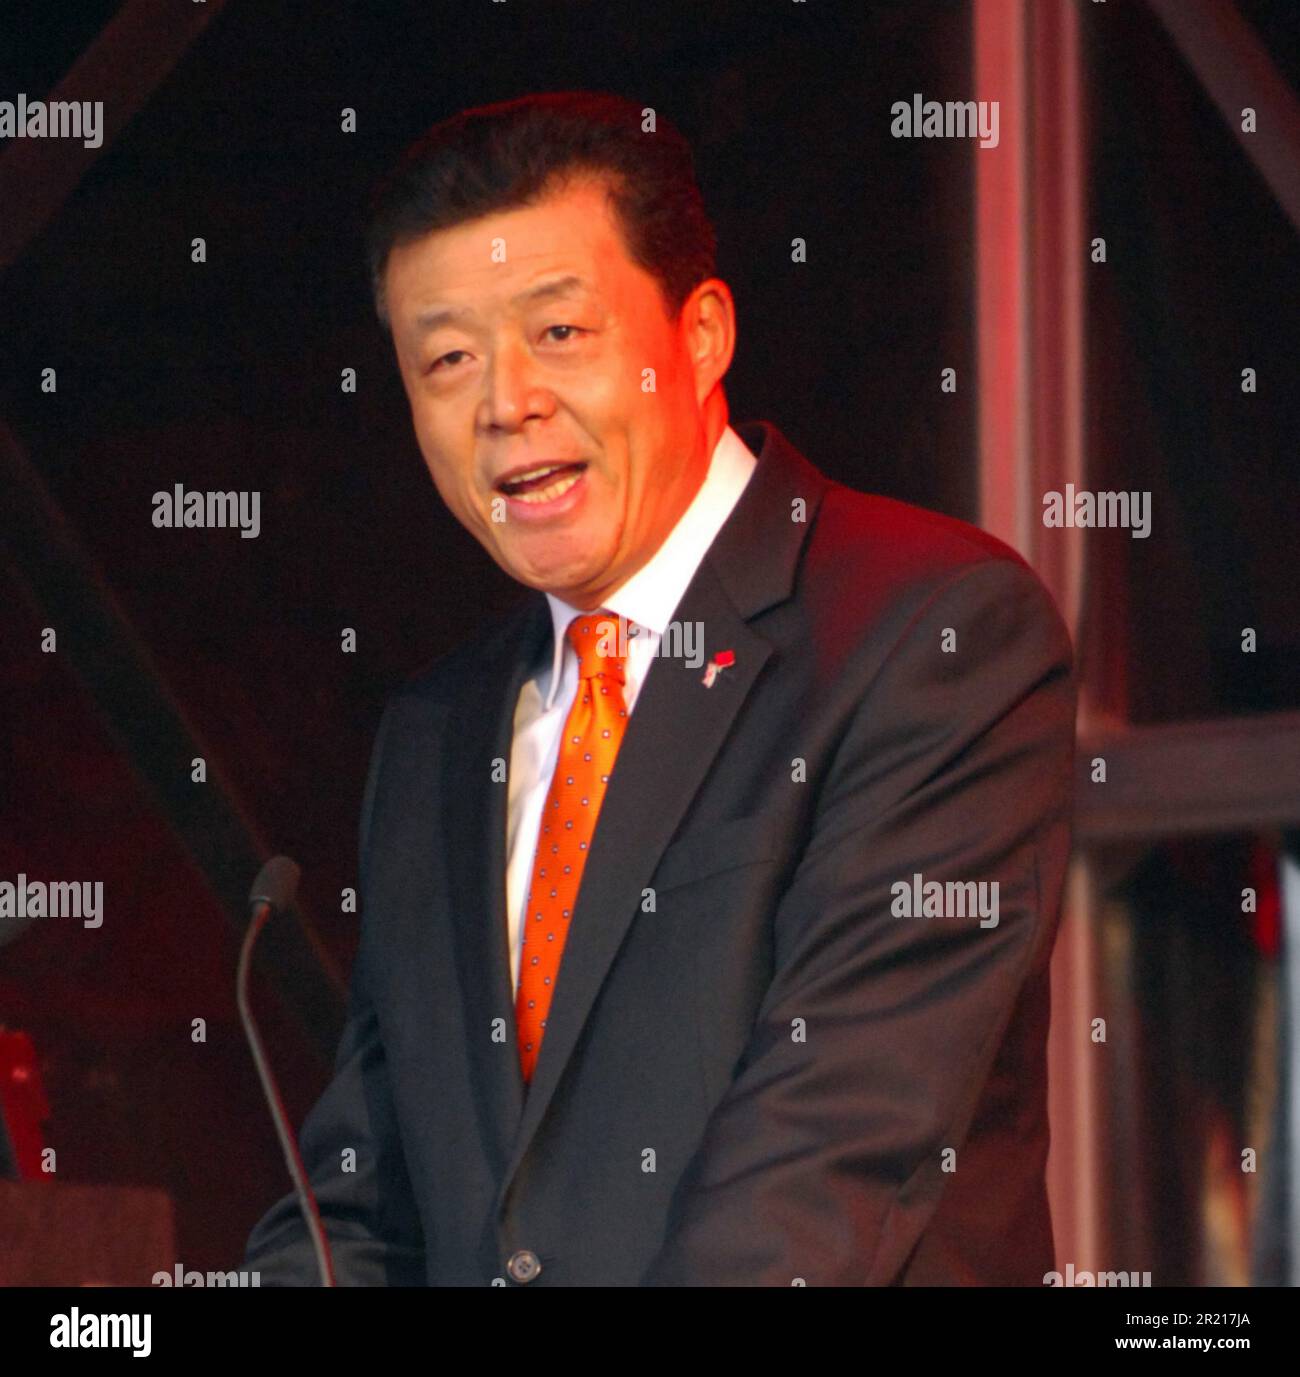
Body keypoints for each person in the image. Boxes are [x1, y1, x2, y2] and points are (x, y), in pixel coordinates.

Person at [243, 89, 1076, 1286]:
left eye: (559, 334)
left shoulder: (929, 633)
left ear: (700, 335)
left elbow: (829, 1161)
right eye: (447, 358)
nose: (504, 402)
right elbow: (364, 1205)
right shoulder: (437, 734)